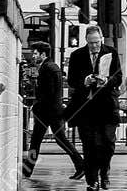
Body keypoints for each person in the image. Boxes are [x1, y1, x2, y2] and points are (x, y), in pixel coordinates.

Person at [66, 23, 122, 191]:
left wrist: (107, 81)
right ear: (86, 41)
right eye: (91, 43)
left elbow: (119, 77)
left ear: (102, 39)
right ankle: (92, 180)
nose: (95, 46)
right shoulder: (77, 55)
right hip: (86, 109)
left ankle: (104, 171)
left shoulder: (111, 52)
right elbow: (72, 80)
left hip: (106, 107)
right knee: (90, 146)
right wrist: (85, 80)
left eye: (97, 43)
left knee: (107, 144)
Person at [21, 47, 84, 181]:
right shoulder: (51, 66)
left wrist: (37, 105)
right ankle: (27, 169)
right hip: (52, 109)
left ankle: (81, 165)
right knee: (46, 140)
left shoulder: (47, 68)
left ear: (43, 54)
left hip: (48, 111)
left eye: (36, 53)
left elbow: (48, 91)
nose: (34, 56)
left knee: (47, 140)